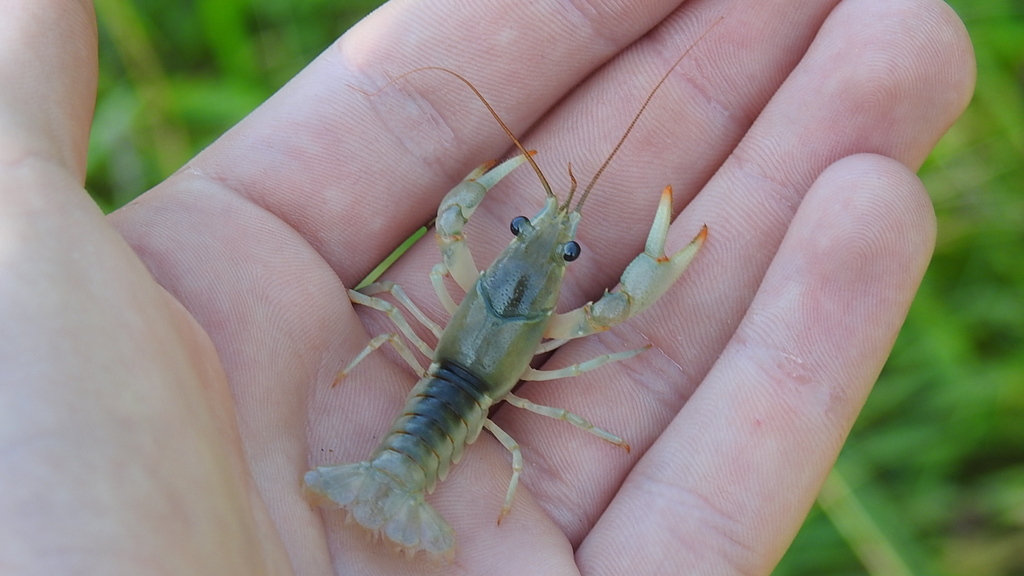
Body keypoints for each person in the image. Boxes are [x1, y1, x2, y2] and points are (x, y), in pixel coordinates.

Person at [0, 0, 974, 574]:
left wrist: (488, 225)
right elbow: (616, 319)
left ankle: (392, 478)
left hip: (436, 396)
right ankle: (392, 484)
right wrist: (616, 273)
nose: (541, 238)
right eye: (537, 234)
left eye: (547, 246)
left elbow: (426, 267)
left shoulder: (452, 277)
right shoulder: (557, 312)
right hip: (462, 417)